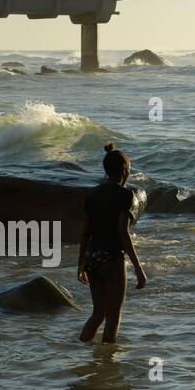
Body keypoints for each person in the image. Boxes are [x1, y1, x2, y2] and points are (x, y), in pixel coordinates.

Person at [77, 142, 147, 343]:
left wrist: (81, 263)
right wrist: (138, 268)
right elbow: (122, 233)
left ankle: (78, 350)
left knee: (98, 314)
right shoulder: (125, 195)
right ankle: (107, 365)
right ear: (125, 171)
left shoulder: (92, 194)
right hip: (112, 258)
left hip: (92, 257)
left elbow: (85, 232)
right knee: (113, 317)